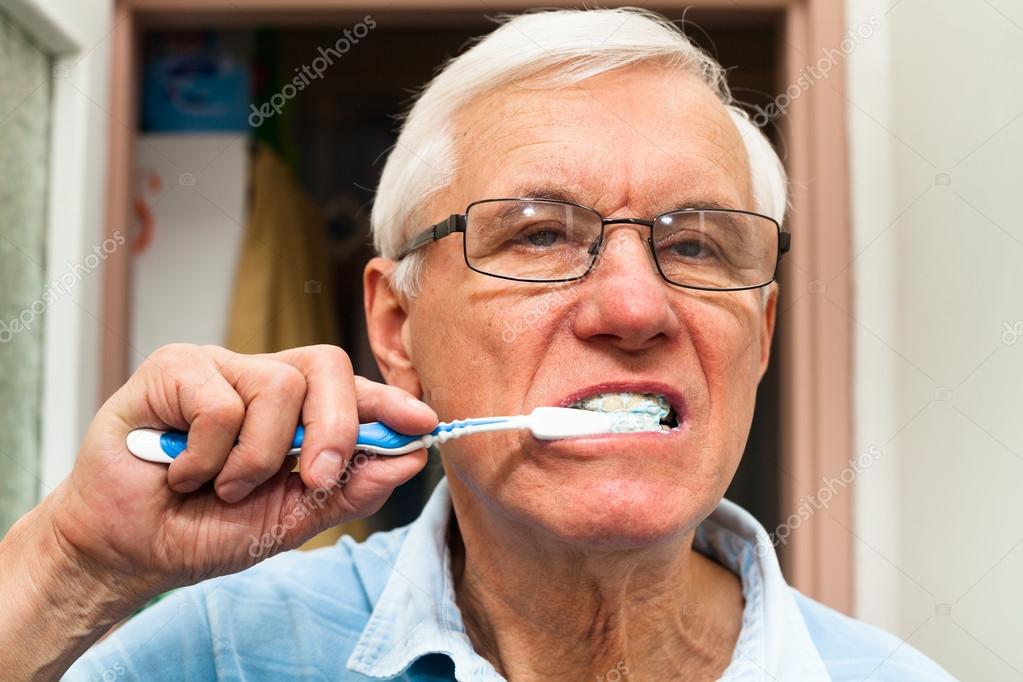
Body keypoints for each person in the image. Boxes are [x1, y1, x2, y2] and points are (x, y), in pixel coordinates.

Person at [1, 8, 953, 681]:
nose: (633, 305)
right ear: (396, 329)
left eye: (697, 243)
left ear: (762, 337)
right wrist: (72, 566)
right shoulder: (215, 657)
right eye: (539, 233)